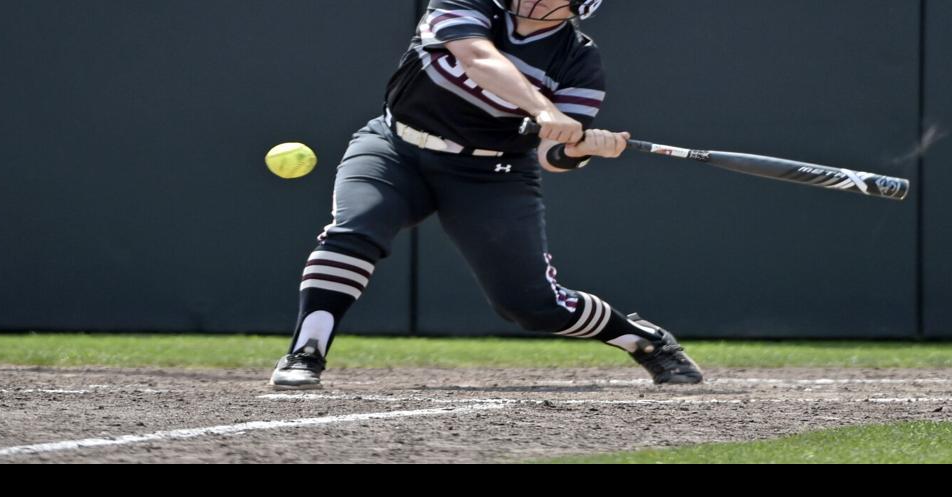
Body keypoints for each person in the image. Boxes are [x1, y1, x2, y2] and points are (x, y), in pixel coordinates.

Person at [270, 0, 704, 388]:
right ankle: (306, 351)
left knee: (532, 306)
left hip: (490, 173)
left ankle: (644, 340)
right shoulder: (467, 2)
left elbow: (553, 155)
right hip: (395, 145)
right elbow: (477, 56)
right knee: (354, 230)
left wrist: (585, 147)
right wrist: (545, 110)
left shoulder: (579, 61)